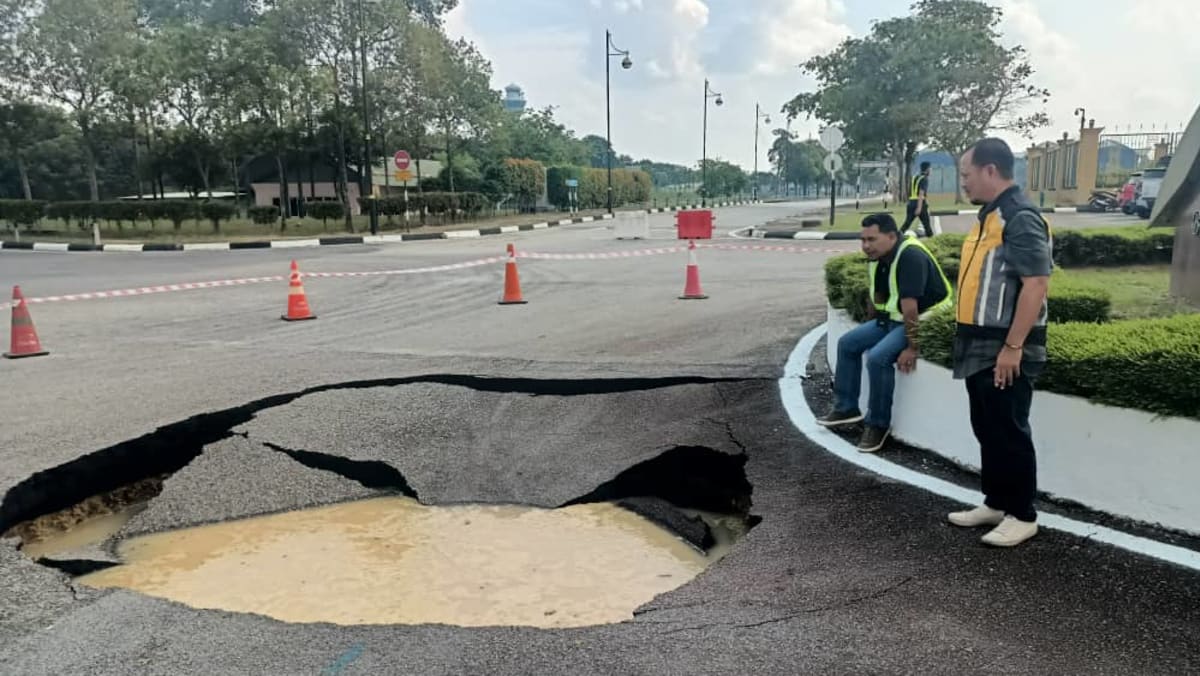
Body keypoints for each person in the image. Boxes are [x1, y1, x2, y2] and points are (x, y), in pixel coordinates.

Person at [948, 137, 1052, 548]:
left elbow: (1036, 284)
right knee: (987, 427)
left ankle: (1023, 514)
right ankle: (996, 502)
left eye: (966, 174)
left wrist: (1013, 348)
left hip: (1003, 346)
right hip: (977, 341)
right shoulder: (988, 216)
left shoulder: (1019, 216)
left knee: (1009, 429)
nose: (964, 183)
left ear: (990, 170)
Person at [818, 213, 952, 452]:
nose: (866, 246)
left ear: (891, 236)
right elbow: (877, 295)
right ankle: (847, 407)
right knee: (848, 343)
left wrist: (912, 347)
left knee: (878, 358)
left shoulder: (910, 255)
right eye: (863, 240)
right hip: (892, 319)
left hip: (922, 319)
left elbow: (910, 307)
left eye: (871, 239)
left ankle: (878, 425)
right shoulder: (878, 256)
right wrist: (870, 328)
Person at [901, 162, 933, 237]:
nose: (931, 170)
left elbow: (909, 191)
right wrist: (919, 208)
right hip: (919, 204)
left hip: (911, 203)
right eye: (931, 169)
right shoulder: (924, 179)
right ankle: (932, 242)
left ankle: (897, 236)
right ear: (927, 169)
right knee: (927, 226)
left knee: (907, 224)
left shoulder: (914, 177)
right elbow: (921, 194)